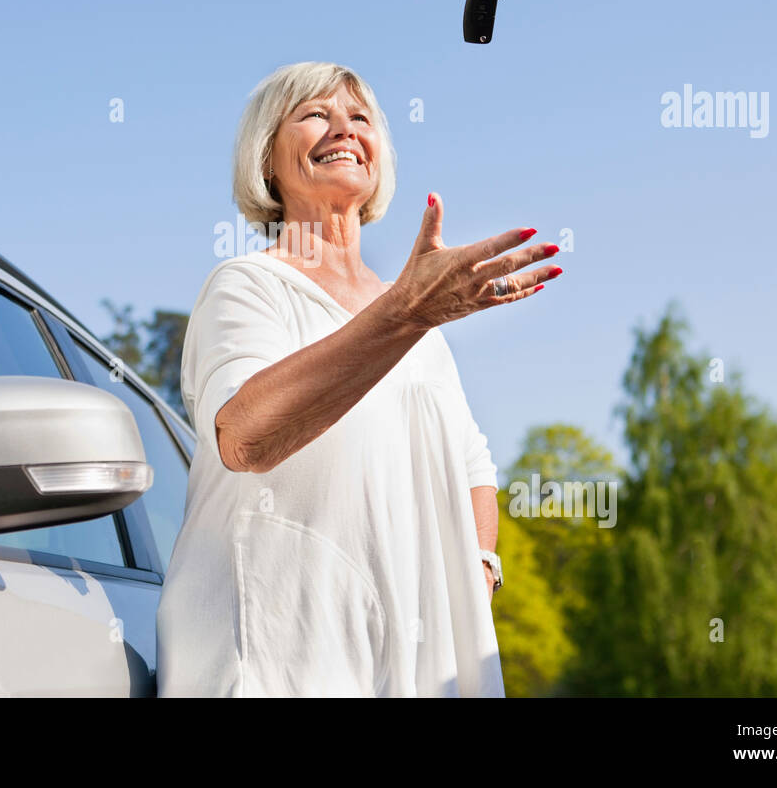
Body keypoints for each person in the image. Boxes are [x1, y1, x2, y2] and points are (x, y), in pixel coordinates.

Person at [156, 61, 562, 696]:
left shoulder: (415, 316)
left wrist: (478, 573)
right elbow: (245, 437)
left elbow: (472, 463)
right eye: (314, 114)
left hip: (412, 660)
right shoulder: (248, 287)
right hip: (281, 651)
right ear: (267, 159)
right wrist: (408, 310)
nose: (342, 127)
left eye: (360, 117)